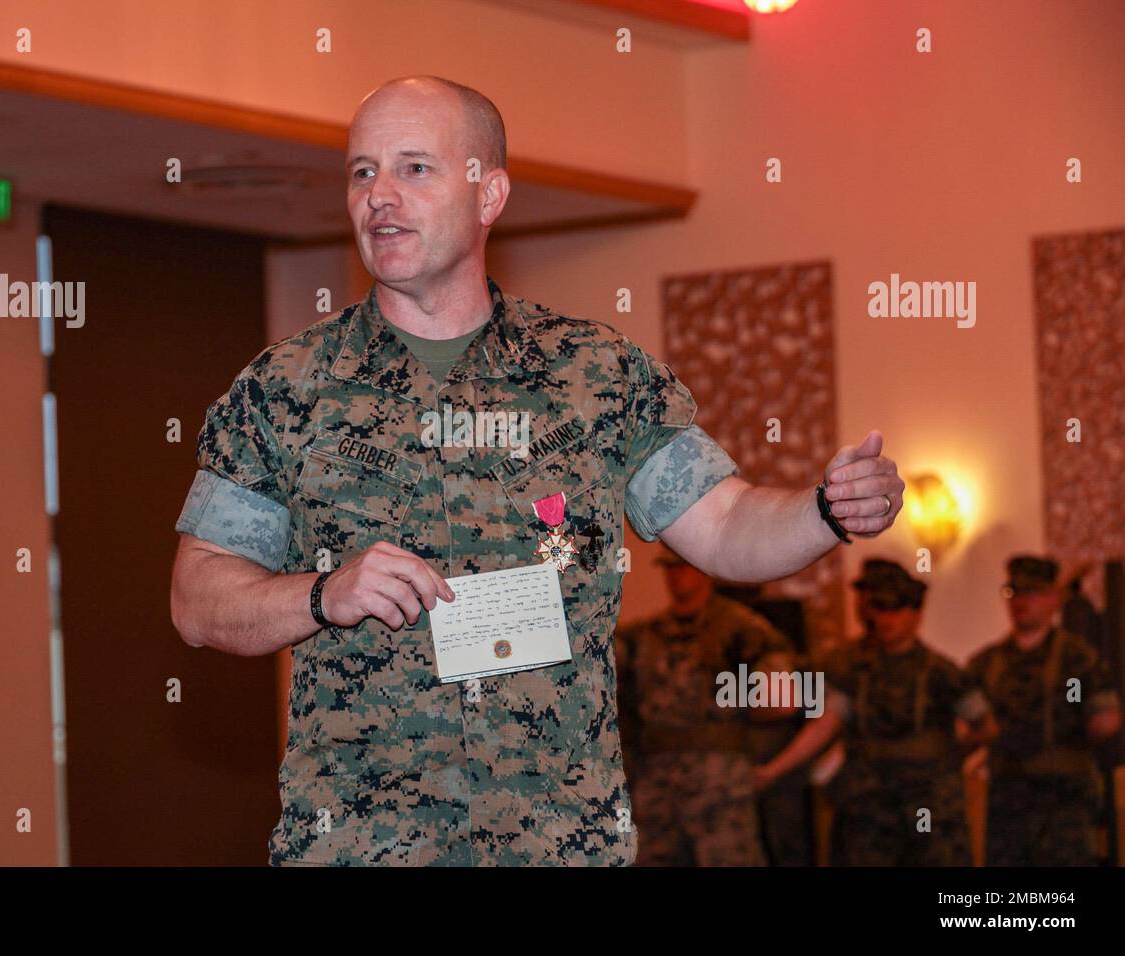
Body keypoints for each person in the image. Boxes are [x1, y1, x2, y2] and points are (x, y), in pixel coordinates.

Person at [169, 74, 905, 866]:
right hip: (361, 846)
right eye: (362, 171)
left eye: (414, 168)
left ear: (490, 194)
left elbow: (725, 525)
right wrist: (322, 593)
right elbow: (198, 597)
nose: (379, 195)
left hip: (559, 844)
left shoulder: (593, 375)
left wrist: (826, 510)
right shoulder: (287, 390)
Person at [754, 559, 987, 865]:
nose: (885, 618)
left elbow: (986, 726)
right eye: (878, 608)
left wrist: (951, 758)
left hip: (929, 810)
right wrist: (772, 770)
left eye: (895, 609)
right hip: (868, 812)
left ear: (915, 614)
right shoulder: (854, 668)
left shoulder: (943, 673)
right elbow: (824, 724)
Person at [616, 545, 797, 866]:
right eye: (669, 567)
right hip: (656, 784)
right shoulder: (643, 635)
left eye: (683, 566)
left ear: (705, 569)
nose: (675, 575)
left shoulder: (741, 629)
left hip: (720, 784)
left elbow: (784, 699)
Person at [965, 555, 1121, 866]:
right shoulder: (986, 663)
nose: (1022, 601)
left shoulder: (1079, 659)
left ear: (1053, 598)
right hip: (1006, 806)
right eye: (1014, 592)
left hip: (1065, 807)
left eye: (1032, 592)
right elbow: (966, 725)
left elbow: (1107, 721)